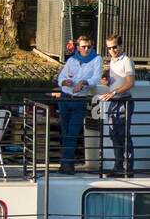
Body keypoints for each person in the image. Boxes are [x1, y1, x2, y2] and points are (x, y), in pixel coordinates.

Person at [56, 34, 101, 174]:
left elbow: (96, 77)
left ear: (92, 46)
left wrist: (84, 83)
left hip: (79, 99)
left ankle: (68, 163)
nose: (86, 49)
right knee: (65, 132)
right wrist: (64, 82)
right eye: (83, 47)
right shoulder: (72, 60)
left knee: (73, 132)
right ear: (78, 47)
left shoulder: (96, 59)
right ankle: (66, 163)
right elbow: (61, 77)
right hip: (65, 97)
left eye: (88, 46)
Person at [100, 34, 137, 176]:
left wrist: (114, 92)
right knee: (113, 134)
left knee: (123, 135)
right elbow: (117, 81)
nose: (112, 50)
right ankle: (118, 167)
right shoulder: (113, 62)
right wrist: (108, 82)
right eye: (109, 48)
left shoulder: (126, 61)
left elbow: (130, 83)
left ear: (121, 46)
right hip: (114, 101)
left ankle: (128, 169)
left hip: (124, 101)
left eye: (115, 47)